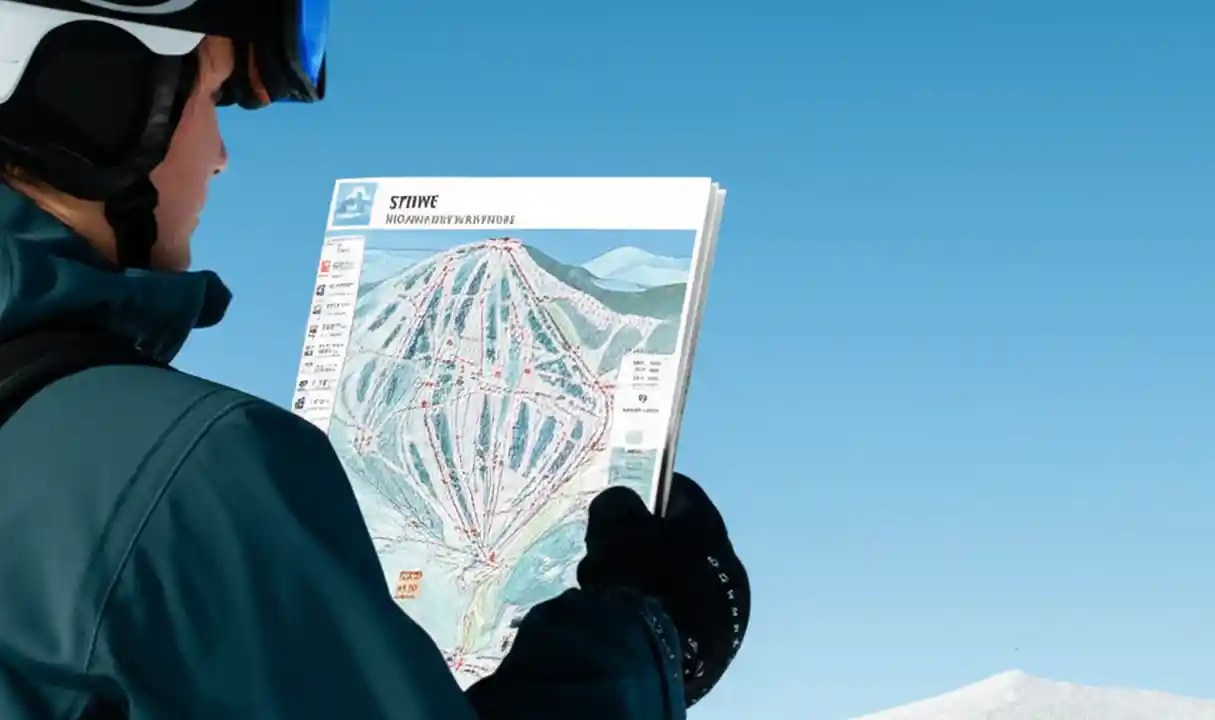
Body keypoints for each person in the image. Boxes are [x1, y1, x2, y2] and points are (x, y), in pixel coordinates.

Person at [0, 2, 749, 718]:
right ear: (93, 99)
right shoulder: (187, 471)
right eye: (213, 95)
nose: (221, 157)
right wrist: (646, 637)